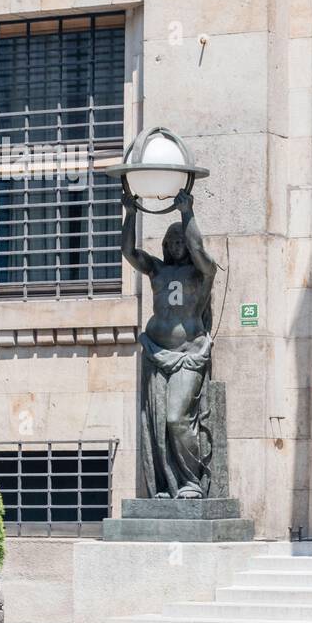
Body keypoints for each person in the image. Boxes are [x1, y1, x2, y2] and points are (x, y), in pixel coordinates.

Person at [121, 188, 219, 498]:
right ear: (164, 246)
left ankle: (191, 482)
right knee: (157, 424)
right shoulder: (157, 269)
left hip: (188, 354)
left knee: (176, 418)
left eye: (181, 241)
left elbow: (201, 251)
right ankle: (165, 484)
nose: (177, 246)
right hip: (155, 352)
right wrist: (131, 212)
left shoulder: (200, 272)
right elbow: (129, 252)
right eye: (171, 242)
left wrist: (186, 213)